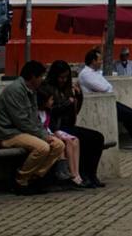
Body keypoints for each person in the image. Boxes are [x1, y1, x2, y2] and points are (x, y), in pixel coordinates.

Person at [0, 60, 65, 195]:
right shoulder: (15, 90)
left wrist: (46, 134)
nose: (42, 80)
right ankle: (20, 180)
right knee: (42, 147)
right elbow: (22, 121)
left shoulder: (32, 90)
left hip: (25, 132)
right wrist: (43, 136)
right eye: (40, 77)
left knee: (58, 145)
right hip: (9, 134)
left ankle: (35, 178)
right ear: (32, 77)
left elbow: (34, 119)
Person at [78, 48, 132, 150]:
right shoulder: (86, 74)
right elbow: (105, 88)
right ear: (93, 61)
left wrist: (108, 88)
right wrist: (108, 88)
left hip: (107, 101)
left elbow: (107, 87)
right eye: (99, 60)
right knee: (130, 115)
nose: (101, 62)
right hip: (99, 105)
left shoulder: (95, 73)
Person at [45, 59, 106, 188]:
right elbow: (50, 111)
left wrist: (79, 96)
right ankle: (81, 175)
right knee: (85, 138)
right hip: (56, 127)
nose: (63, 80)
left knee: (97, 137)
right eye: (61, 77)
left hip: (68, 126)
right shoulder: (48, 89)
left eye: (66, 77)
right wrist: (67, 103)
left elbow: (75, 111)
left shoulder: (67, 89)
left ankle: (91, 174)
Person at [37, 84, 86, 189]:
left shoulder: (48, 112)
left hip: (53, 132)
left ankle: (76, 174)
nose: (52, 102)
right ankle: (68, 173)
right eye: (50, 100)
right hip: (46, 135)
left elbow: (53, 126)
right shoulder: (37, 113)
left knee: (75, 140)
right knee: (67, 142)